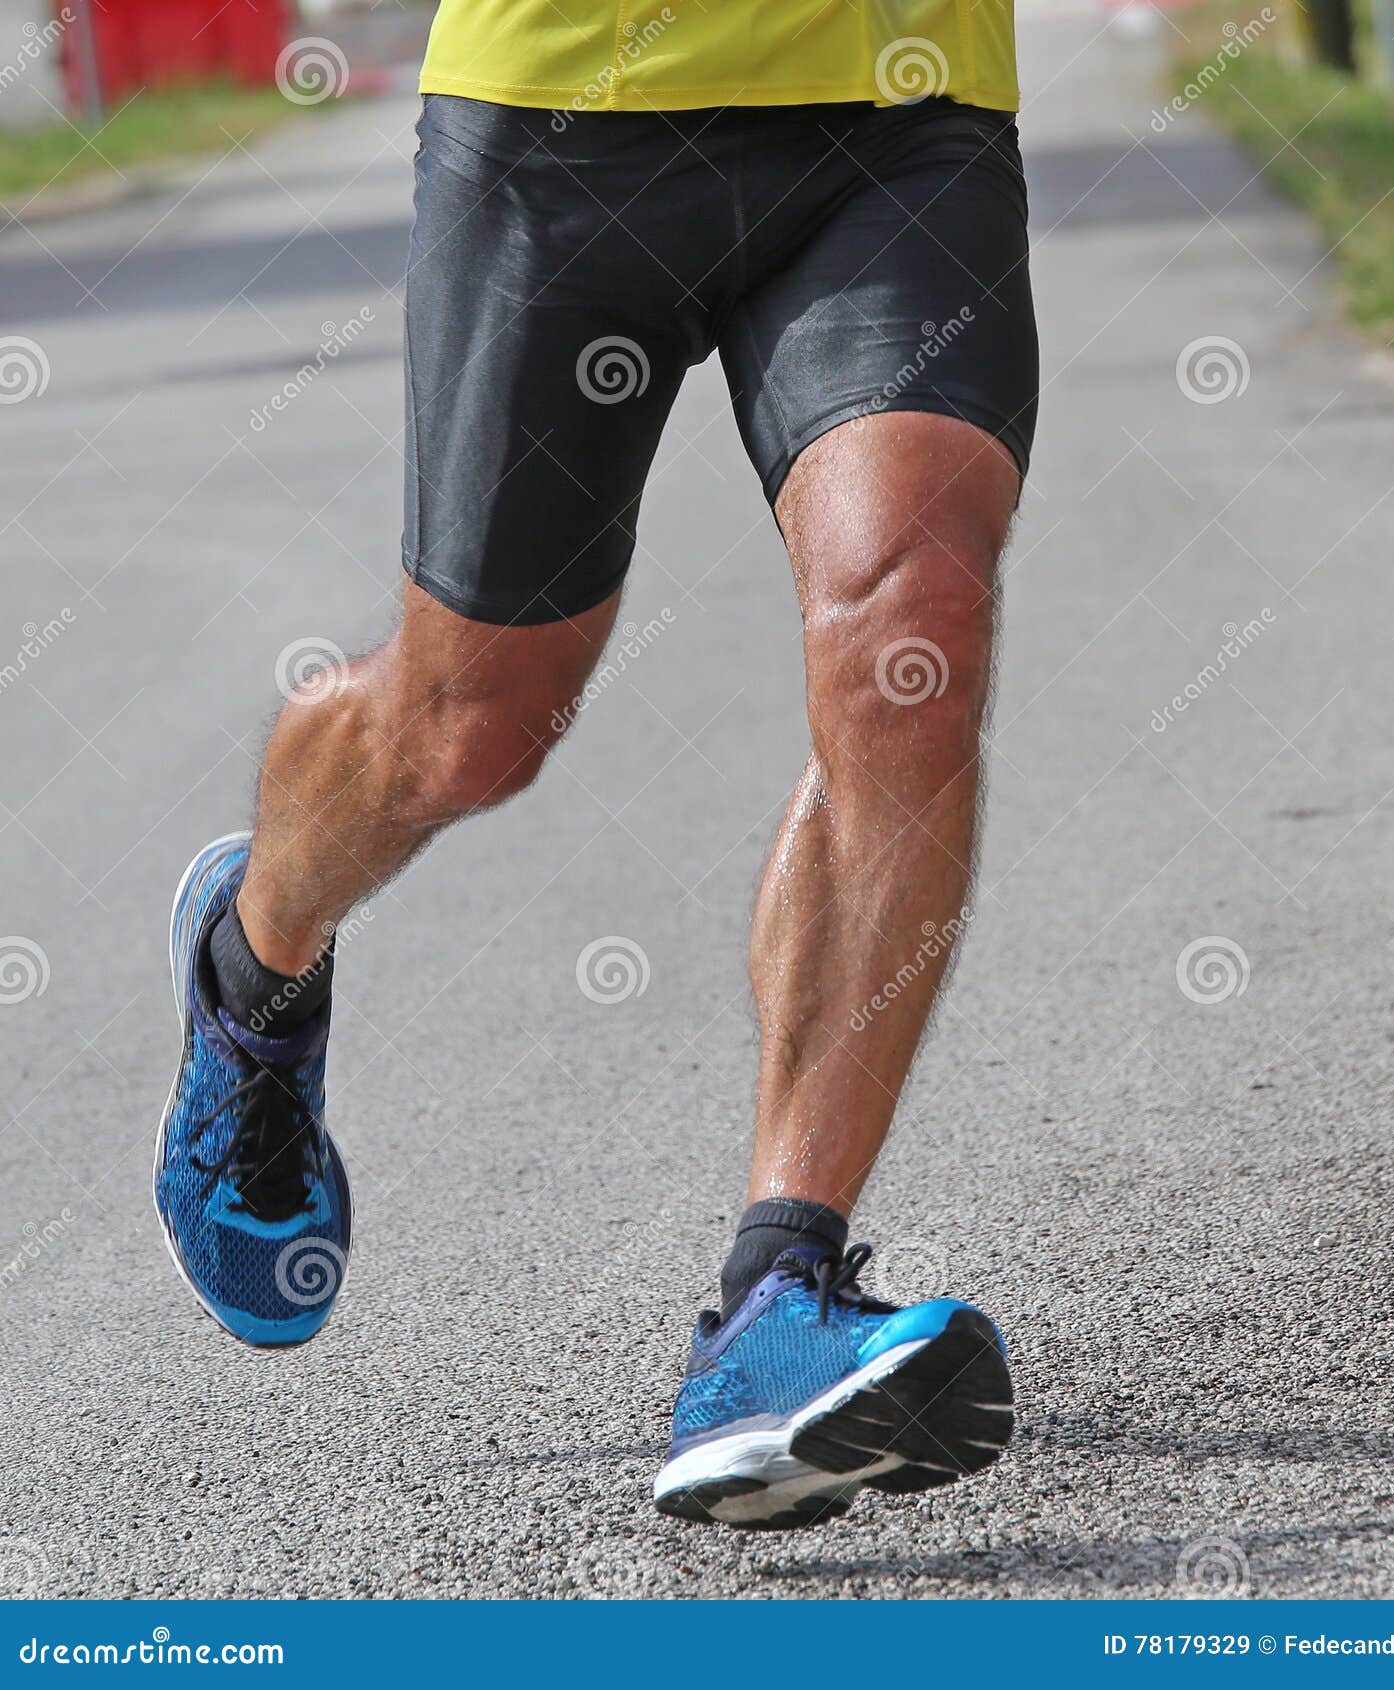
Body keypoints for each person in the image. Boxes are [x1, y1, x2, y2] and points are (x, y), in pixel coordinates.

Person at [154, 0, 1039, 1530]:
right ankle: (253, 967)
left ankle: (777, 1297)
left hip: (900, 107)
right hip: (565, 115)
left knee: (913, 629)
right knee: (469, 727)